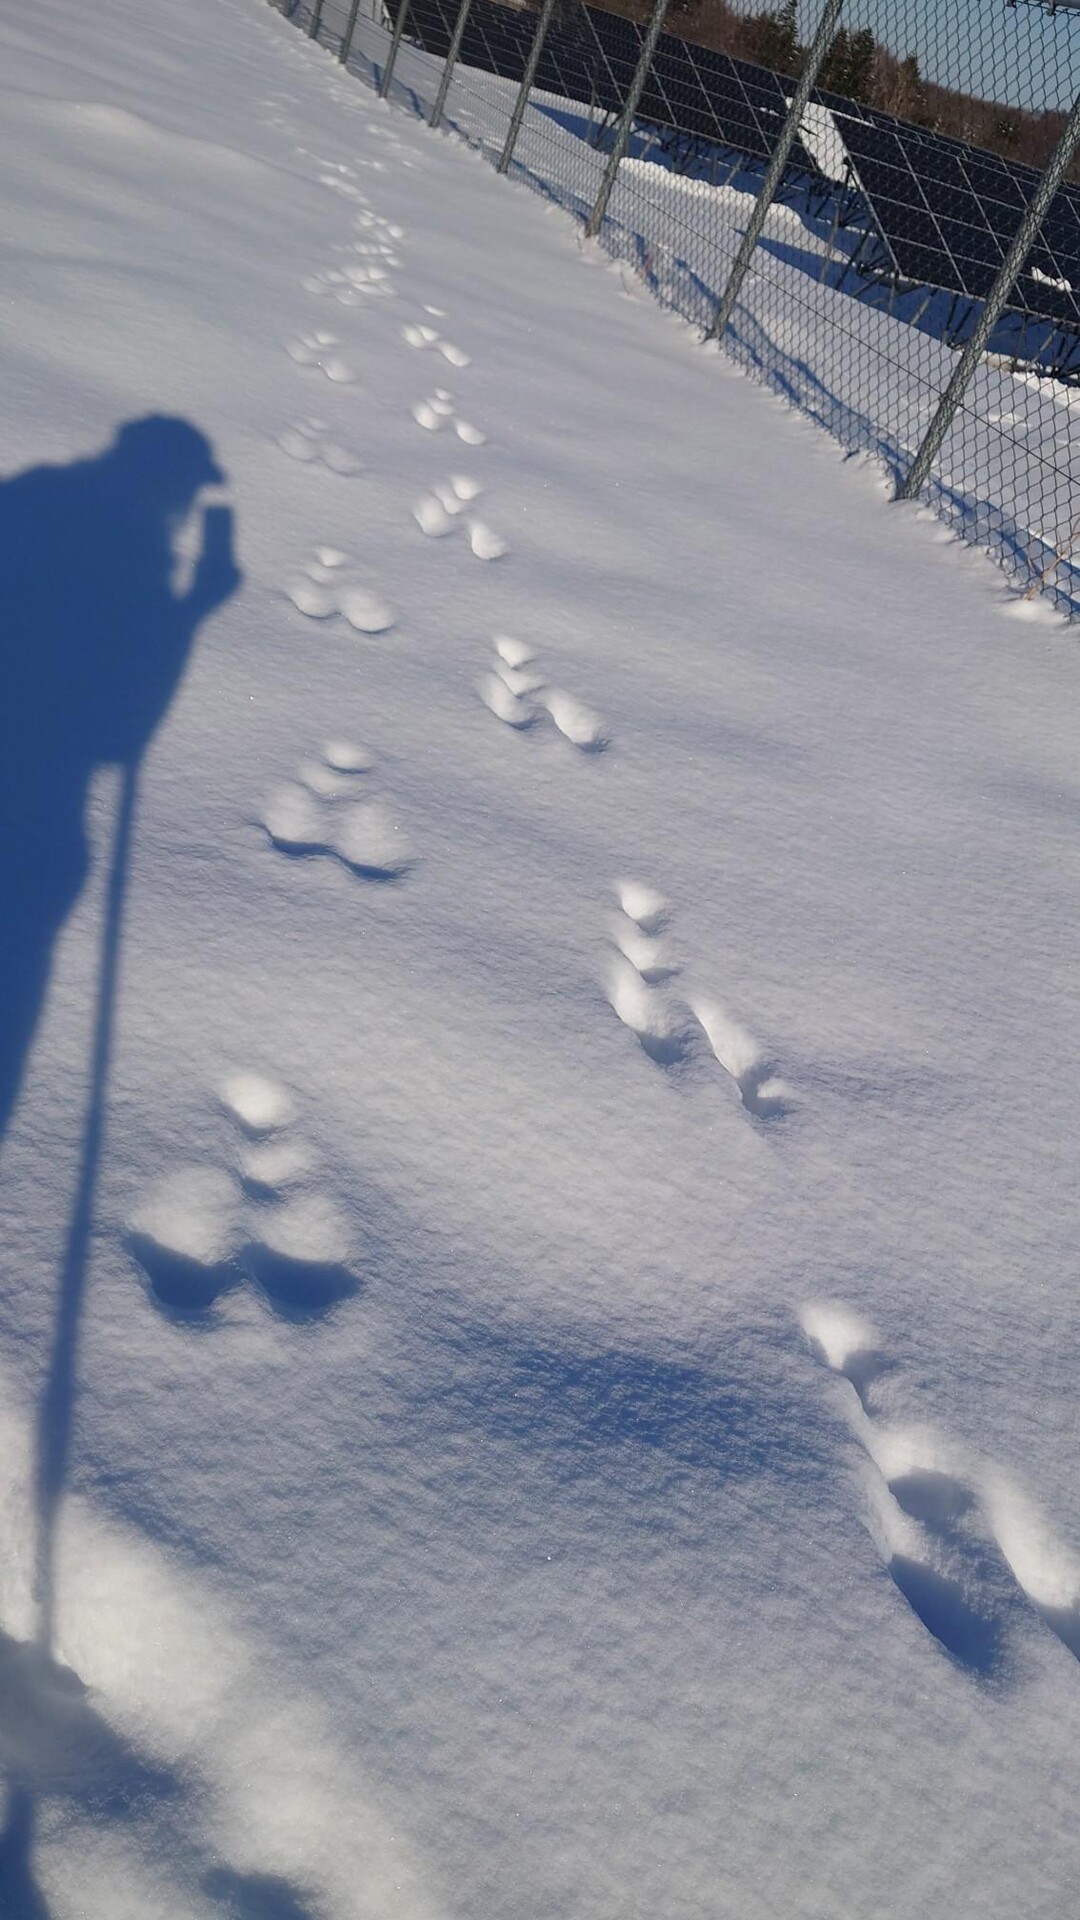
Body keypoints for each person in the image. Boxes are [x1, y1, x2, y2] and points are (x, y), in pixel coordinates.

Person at [0, 416, 240, 1142]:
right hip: (28, 832)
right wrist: (189, 615)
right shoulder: (133, 566)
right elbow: (117, 736)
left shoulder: (29, 497)